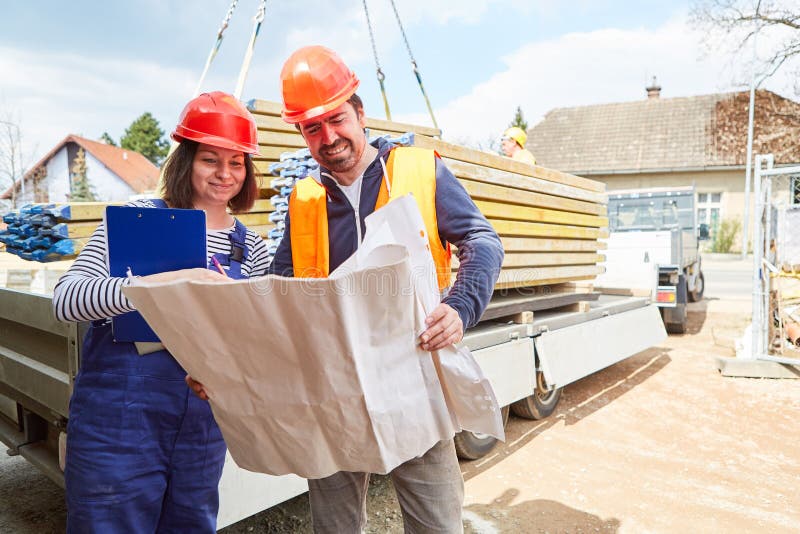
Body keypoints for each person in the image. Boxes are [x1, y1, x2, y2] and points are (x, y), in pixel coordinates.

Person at [269, 44, 503, 533]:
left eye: (336, 119)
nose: (328, 137)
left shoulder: (420, 170)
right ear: (301, 134)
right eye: (312, 128)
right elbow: (275, 295)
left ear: (359, 112)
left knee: (436, 523)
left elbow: (481, 239)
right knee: (334, 528)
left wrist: (461, 306)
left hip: (412, 378)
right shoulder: (304, 199)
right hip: (333, 389)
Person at [53, 91, 270, 533]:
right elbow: (68, 298)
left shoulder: (254, 251)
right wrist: (156, 285)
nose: (224, 174)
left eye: (236, 162)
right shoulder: (137, 219)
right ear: (186, 159)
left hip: (203, 425)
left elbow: (262, 337)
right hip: (119, 420)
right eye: (211, 159)